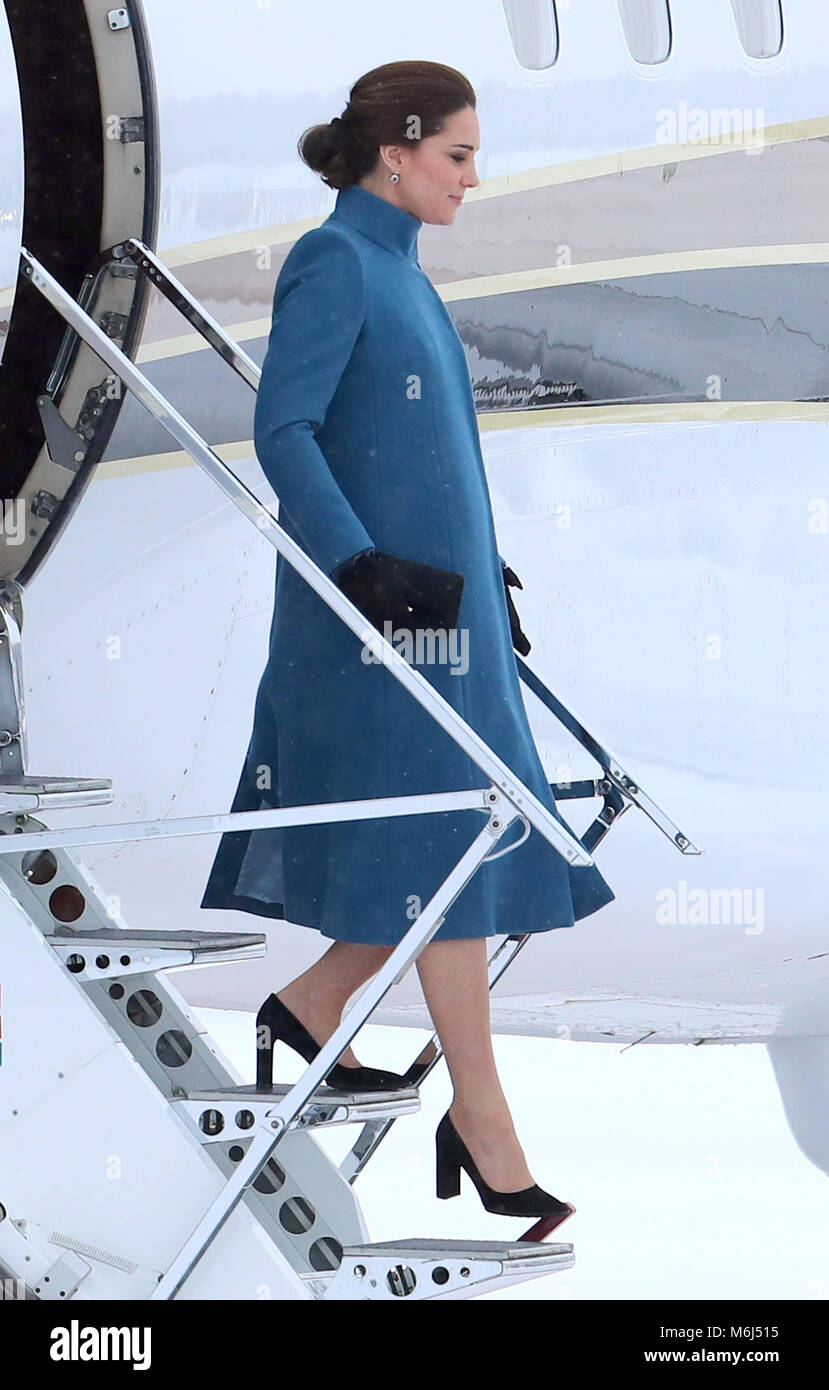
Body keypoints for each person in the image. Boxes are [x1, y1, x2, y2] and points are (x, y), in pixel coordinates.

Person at [200, 60, 615, 1219]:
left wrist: (487, 579)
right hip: (376, 622)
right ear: (398, 150)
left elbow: (427, 456)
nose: (473, 180)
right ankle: (480, 1125)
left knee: (455, 848)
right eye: (458, 157)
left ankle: (322, 1007)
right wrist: (358, 567)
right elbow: (285, 430)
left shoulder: (403, 272)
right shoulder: (337, 261)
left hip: (447, 617)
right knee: (453, 848)